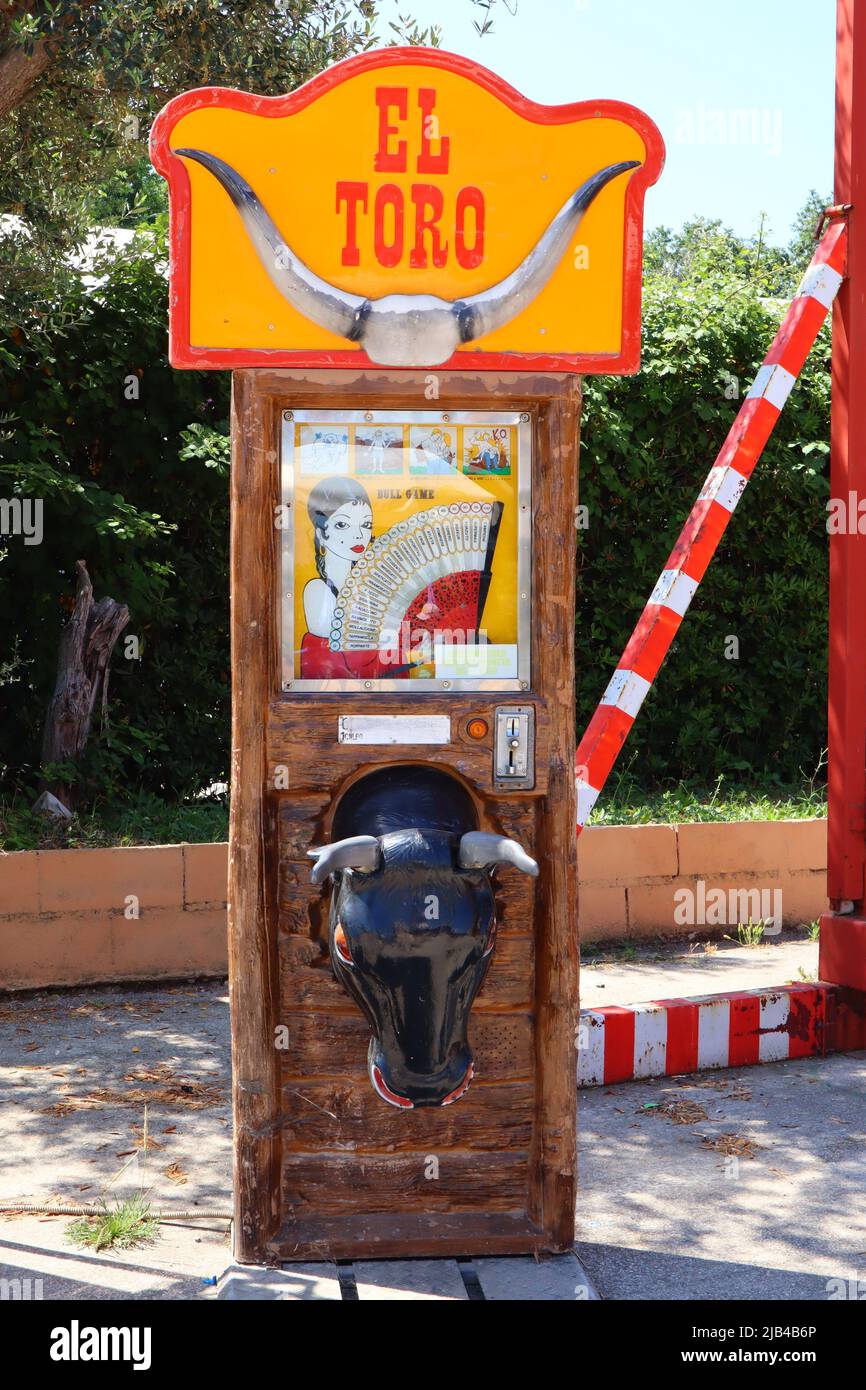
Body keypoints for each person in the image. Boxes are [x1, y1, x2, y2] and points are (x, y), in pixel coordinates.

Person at [300, 476, 390, 680]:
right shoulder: (317, 590)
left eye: (366, 525)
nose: (359, 535)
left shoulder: (369, 589)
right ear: (322, 534)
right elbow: (340, 641)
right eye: (342, 525)